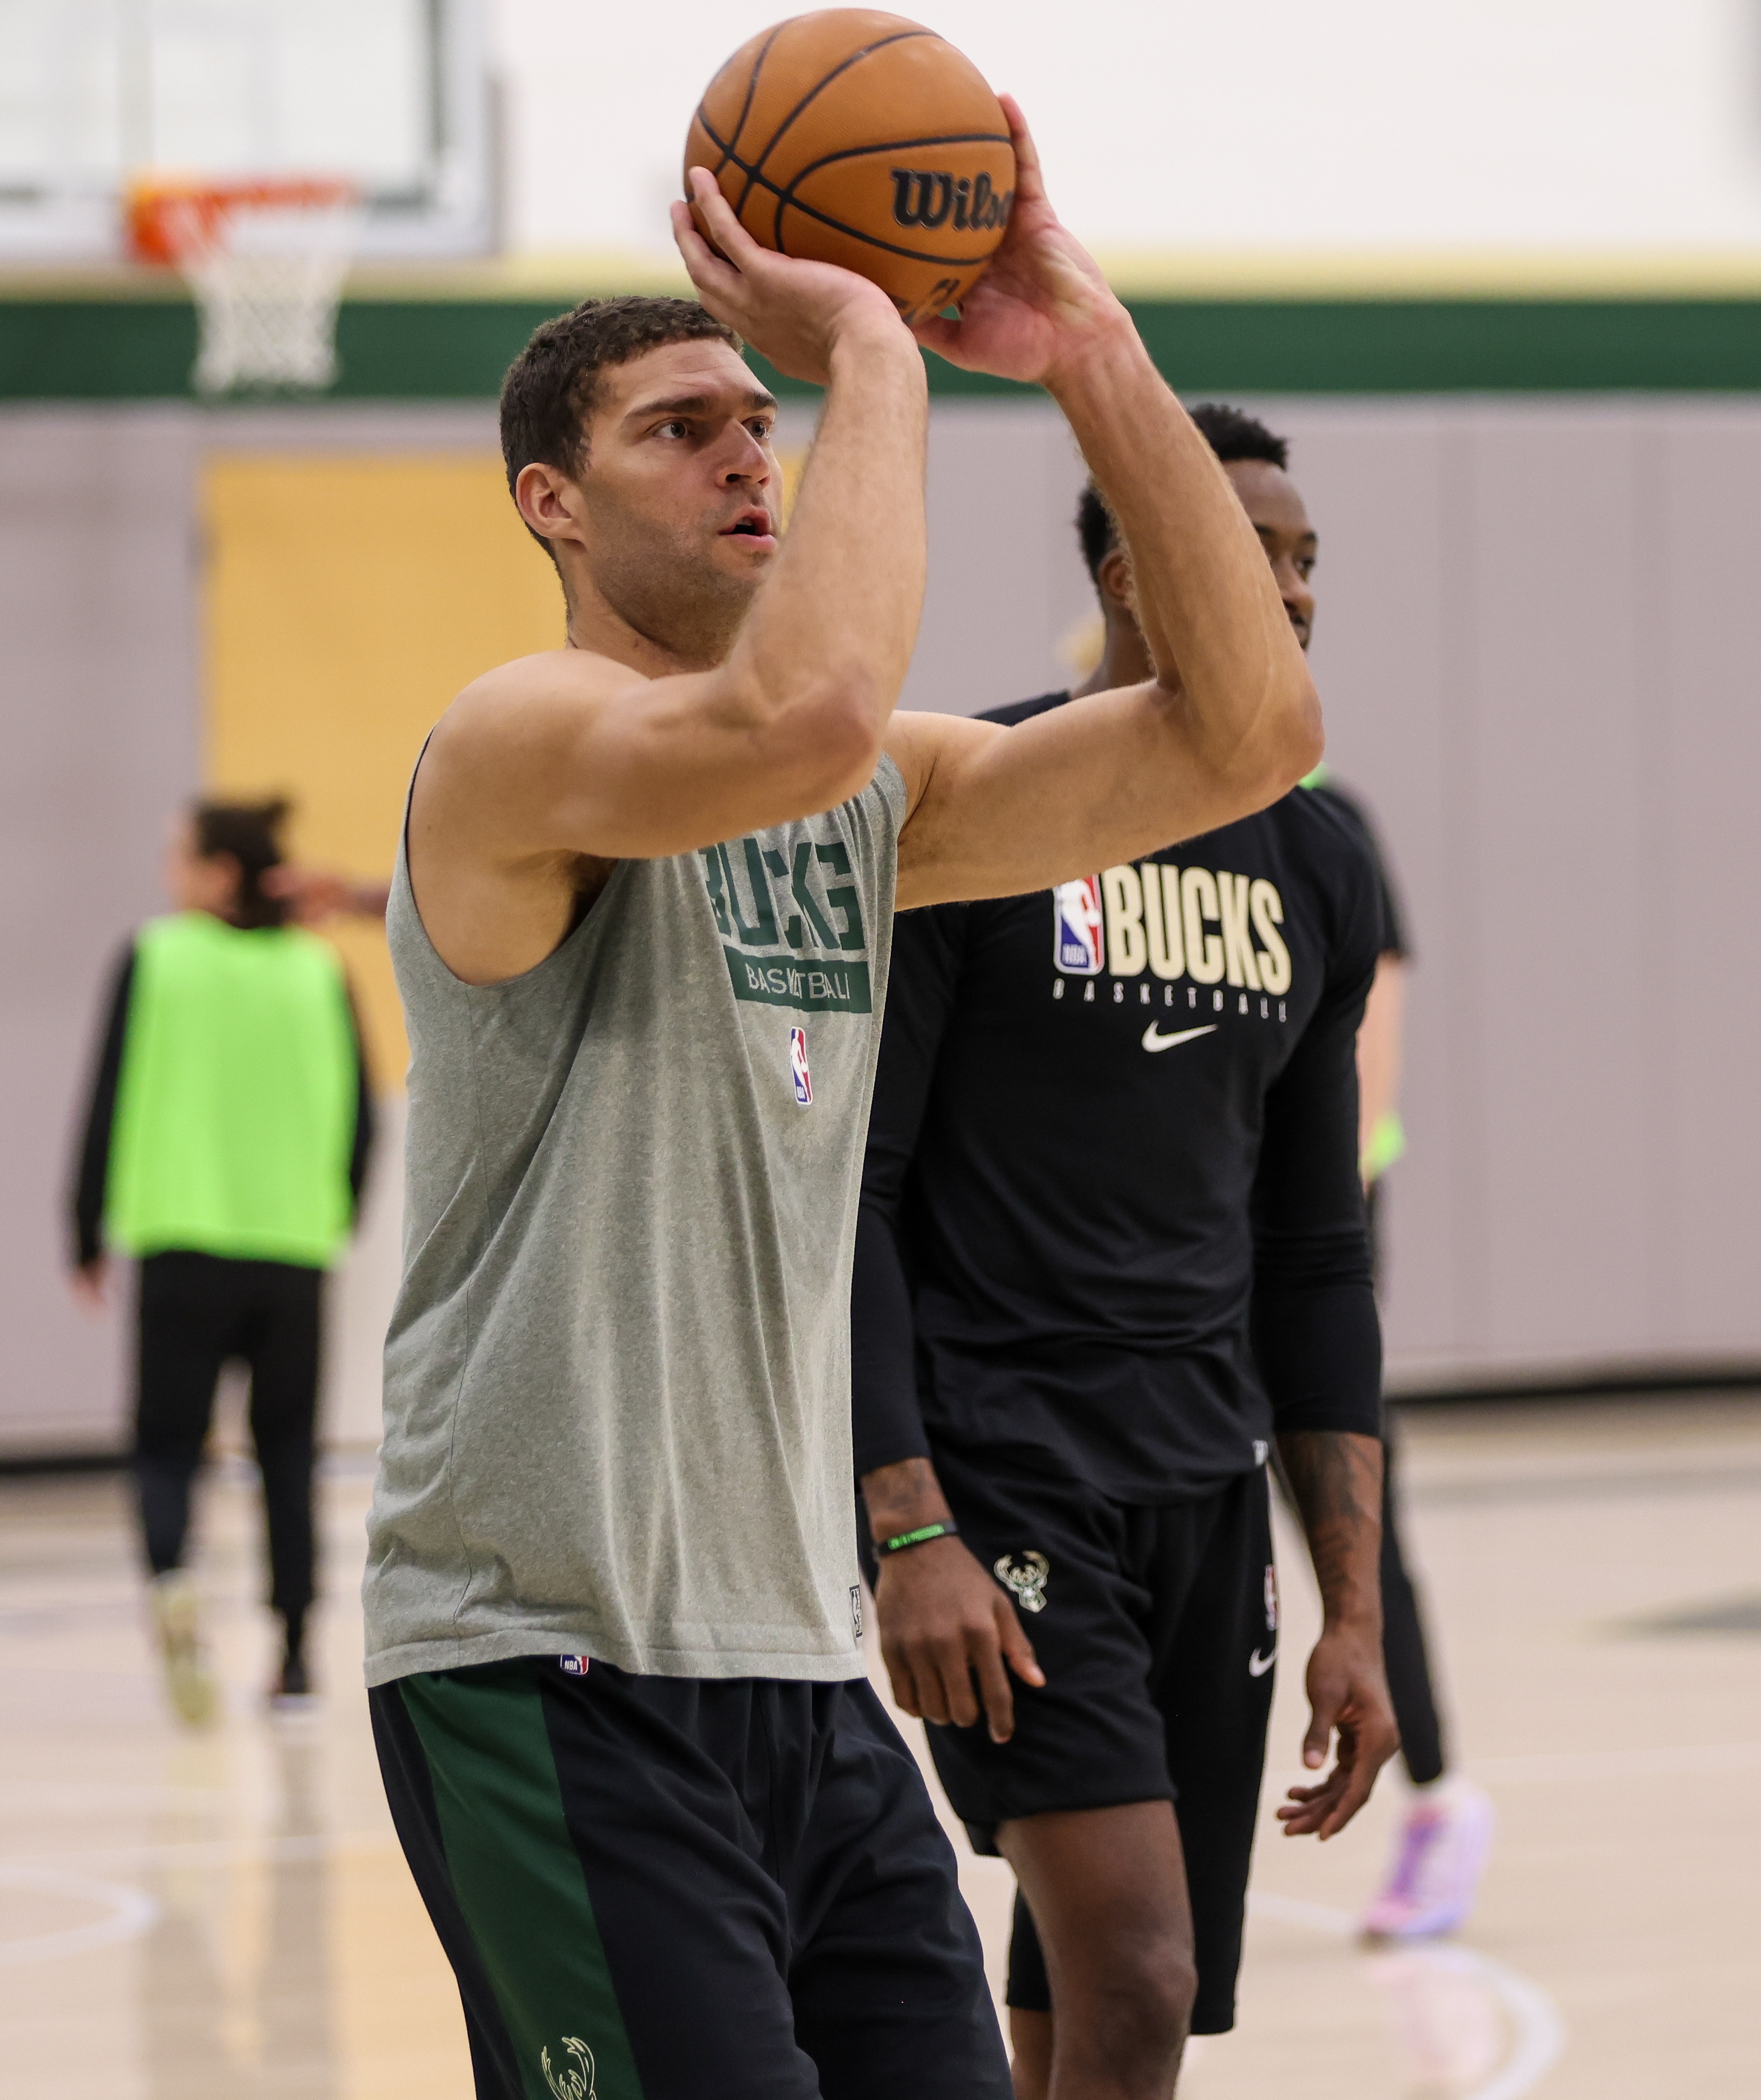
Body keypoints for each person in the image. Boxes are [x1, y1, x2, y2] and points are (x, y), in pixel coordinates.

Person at [359, 104, 1321, 2100]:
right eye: (679, 428)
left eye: (755, 417)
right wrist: (873, 348)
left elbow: (1245, 741)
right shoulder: (520, 739)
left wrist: (1083, 349)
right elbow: (791, 716)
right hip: (548, 1661)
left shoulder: (875, 801)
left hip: (799, 1680)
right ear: (548, 502)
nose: (743, 451)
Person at [852, 403, 1401, 2099]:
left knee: (1083, 1987)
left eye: (1308, 562)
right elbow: (852, 1195)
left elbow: (1313, 1252)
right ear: (1126, 573)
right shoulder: (977, 804)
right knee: (1138, 1971)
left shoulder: (1320, 859)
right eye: (1253, 556)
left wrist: (1354, 1606)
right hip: (1003, 1473)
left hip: (1199, 1484)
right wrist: (906, 1518)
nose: (1294, 595)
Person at [70, 798, 373, 1720]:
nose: (171, 873)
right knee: (287, 1454)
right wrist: (336, 1215)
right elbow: (362, 1114)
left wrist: (84, 1226)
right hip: (292, 1252)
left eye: (182, 857)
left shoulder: (157, 957)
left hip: (181, 1242)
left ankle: (172, 1581)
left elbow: (108, 1092)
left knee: (167, 1447)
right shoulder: (319, 971)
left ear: (222, 873)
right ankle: (293, 1657)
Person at [1295, 762, 1497, 1942]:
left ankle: (1439, 1802)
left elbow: (1375, 1019)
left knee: (1354, 1514)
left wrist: (1333, 1199)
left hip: (1311, 1226)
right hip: (1181, 1240)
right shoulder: (1134, 791)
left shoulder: (1325, 819)